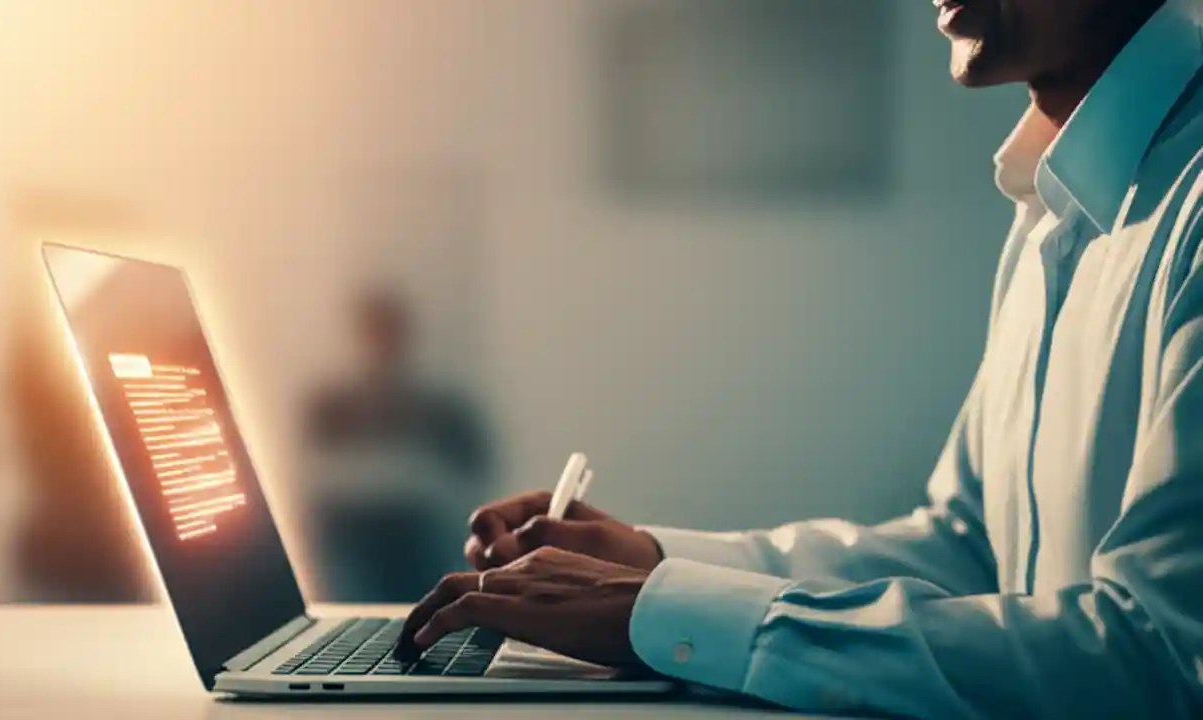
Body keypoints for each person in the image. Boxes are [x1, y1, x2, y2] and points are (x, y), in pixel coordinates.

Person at [395, 0, 1203, 716]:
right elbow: (970, 554)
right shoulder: (1050, 197)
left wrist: (659, 614)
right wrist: (651, 564)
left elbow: (1165, 658)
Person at [305, 289, 492, 601]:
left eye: (388, 333)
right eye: (373, 334)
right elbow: (318, 473)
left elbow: (474, 463)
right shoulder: (331, 404)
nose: (380, 345)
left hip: (418, 530)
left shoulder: (440, 406)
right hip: (353, 532)